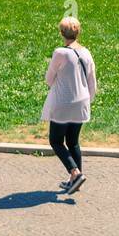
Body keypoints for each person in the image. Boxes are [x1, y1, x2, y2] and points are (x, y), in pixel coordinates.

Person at [42, 16, 97, 195]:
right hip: (82, 102)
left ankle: (75, 172)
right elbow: (92, 82)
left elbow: (49, 79)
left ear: (61, 33)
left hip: (63, 103)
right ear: (78, 32)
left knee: (56, 140)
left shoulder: (60, 53)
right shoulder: (86, 53)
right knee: (73, 142)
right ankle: (76, 180)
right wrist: (88, 100)